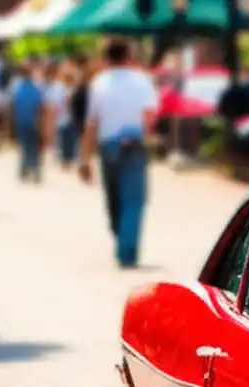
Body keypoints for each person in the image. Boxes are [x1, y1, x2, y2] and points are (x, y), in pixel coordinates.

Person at [79, 40, 158, 269]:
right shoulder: (142, 81)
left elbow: (91, 123)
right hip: (134, 143)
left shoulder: (99, 83)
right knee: (133, 200)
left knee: (114, 199)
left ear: (106, 58)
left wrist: (85, 157)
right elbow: (149, 114)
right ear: (128, 55)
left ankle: (122, 240)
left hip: (109, 147)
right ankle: (127, 249)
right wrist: (147, 134)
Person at [10, 63, 46, 183]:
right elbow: (13, 105)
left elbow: (40, 106)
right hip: (25, 121)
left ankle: (30, 169)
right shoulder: (21, 86)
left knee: (30, 146)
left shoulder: (27, 87)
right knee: (28, 146)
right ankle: (29, 169)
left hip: (28, 121)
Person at [45, 61, 76, 170]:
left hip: (68, 122)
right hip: (62, 122)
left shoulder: (71, 88)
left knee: (68, 146)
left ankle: (67, 162)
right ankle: (65, 162)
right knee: (64, 146)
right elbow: (52, 109)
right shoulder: (57, 88)